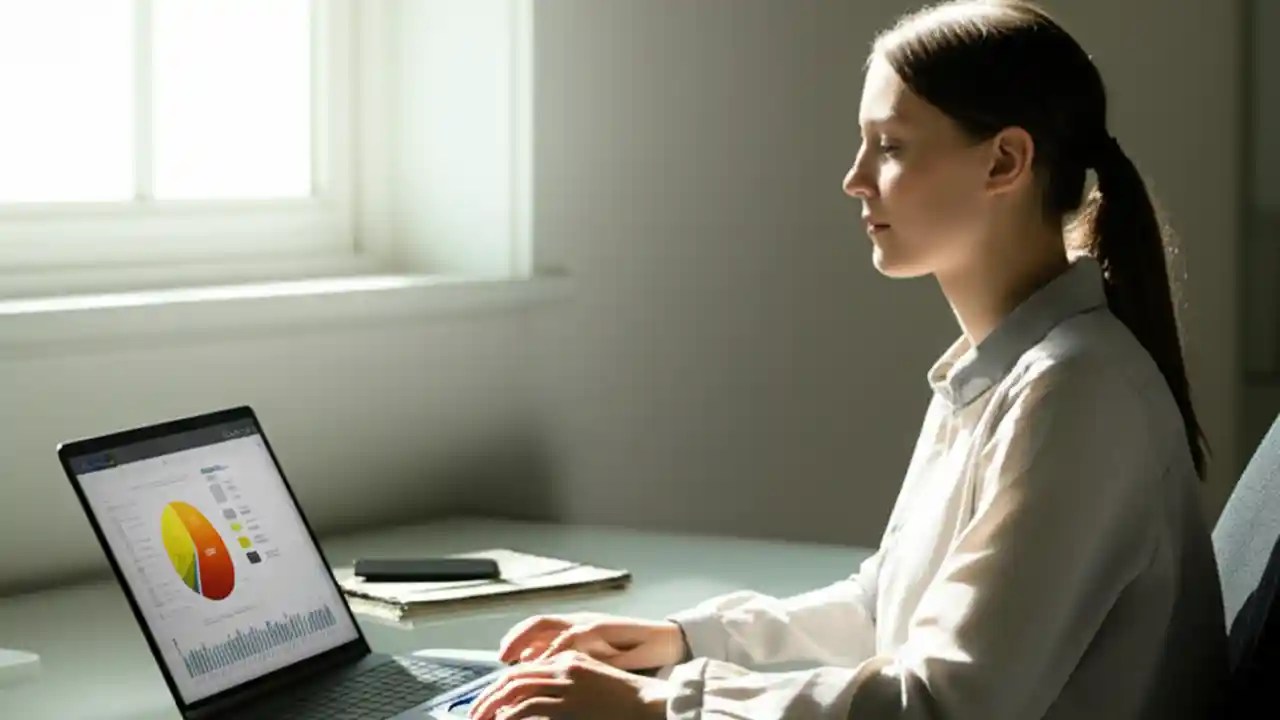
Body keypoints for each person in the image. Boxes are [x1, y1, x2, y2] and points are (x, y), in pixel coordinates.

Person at [466, 1, 1229, 718]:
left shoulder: (1077, 392)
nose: (855, 178)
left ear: (1004, 161)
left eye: (890, 146)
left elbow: (943, 704)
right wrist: (684, 641)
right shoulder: (1003, 371)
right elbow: (885, 605)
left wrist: (663, 705)